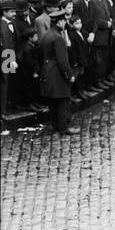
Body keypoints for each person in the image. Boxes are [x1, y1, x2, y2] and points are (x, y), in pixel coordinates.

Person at [37, 7, 79, 135]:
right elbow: (63, 60)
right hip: (57, 73)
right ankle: (63, 127)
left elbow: (40, 55)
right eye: (64, 21)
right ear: (59, 22)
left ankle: (55, 125)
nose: (65, 23)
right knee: (62, 100)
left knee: (53, 101)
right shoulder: (58, 38)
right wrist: (69, 75)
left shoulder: (46, 35)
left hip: (47, 70)